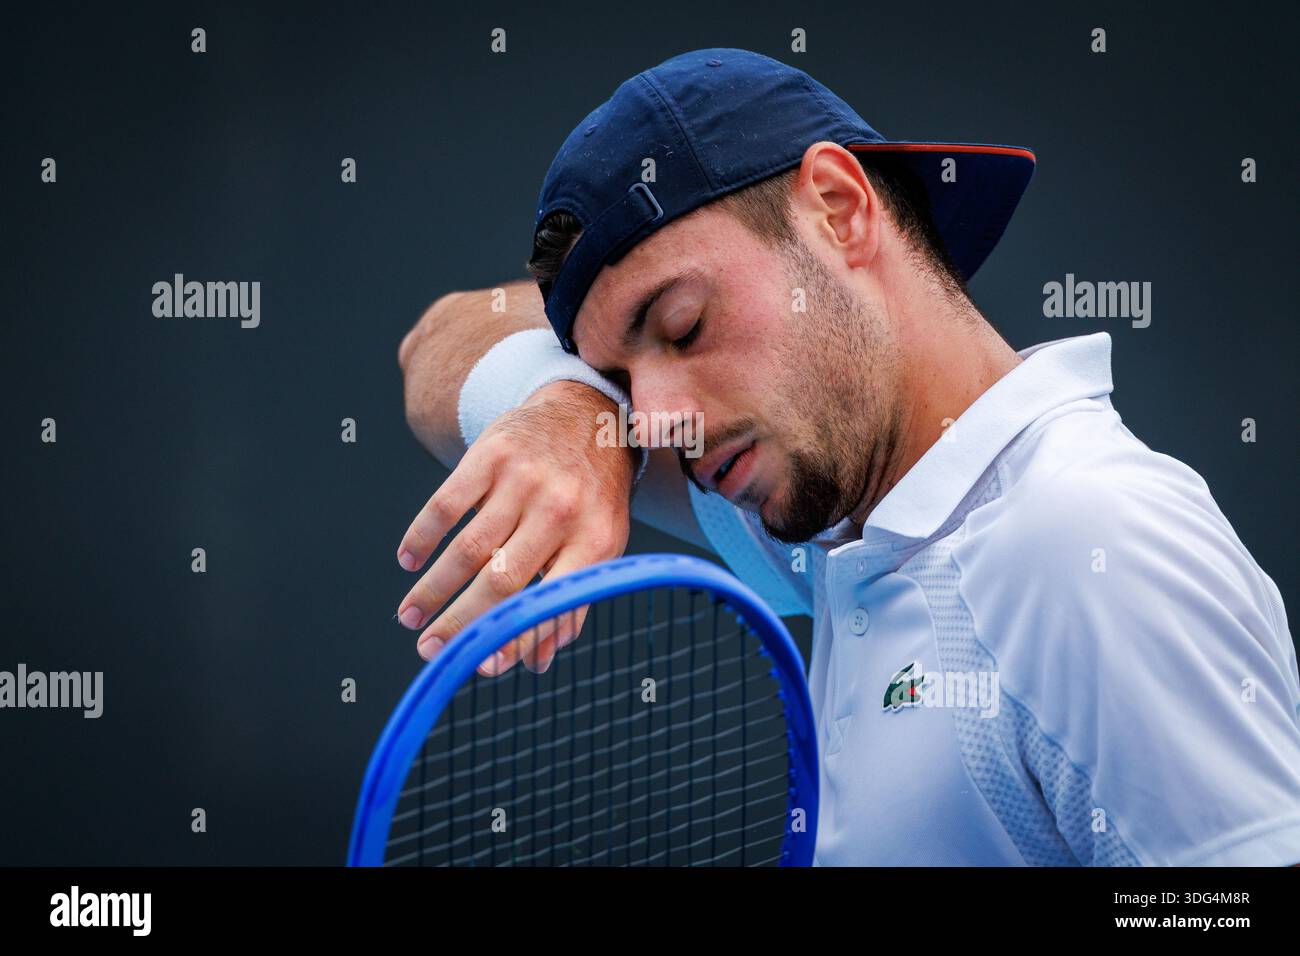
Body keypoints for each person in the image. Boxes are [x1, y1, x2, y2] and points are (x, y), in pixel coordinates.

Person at [392, 48, 1300, 865]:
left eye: (682, 324)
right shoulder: (841, 523)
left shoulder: (1088, 542)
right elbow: (437, 341)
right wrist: (569, 408)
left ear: (838, 209)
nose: (656, 422)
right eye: (624, 376)